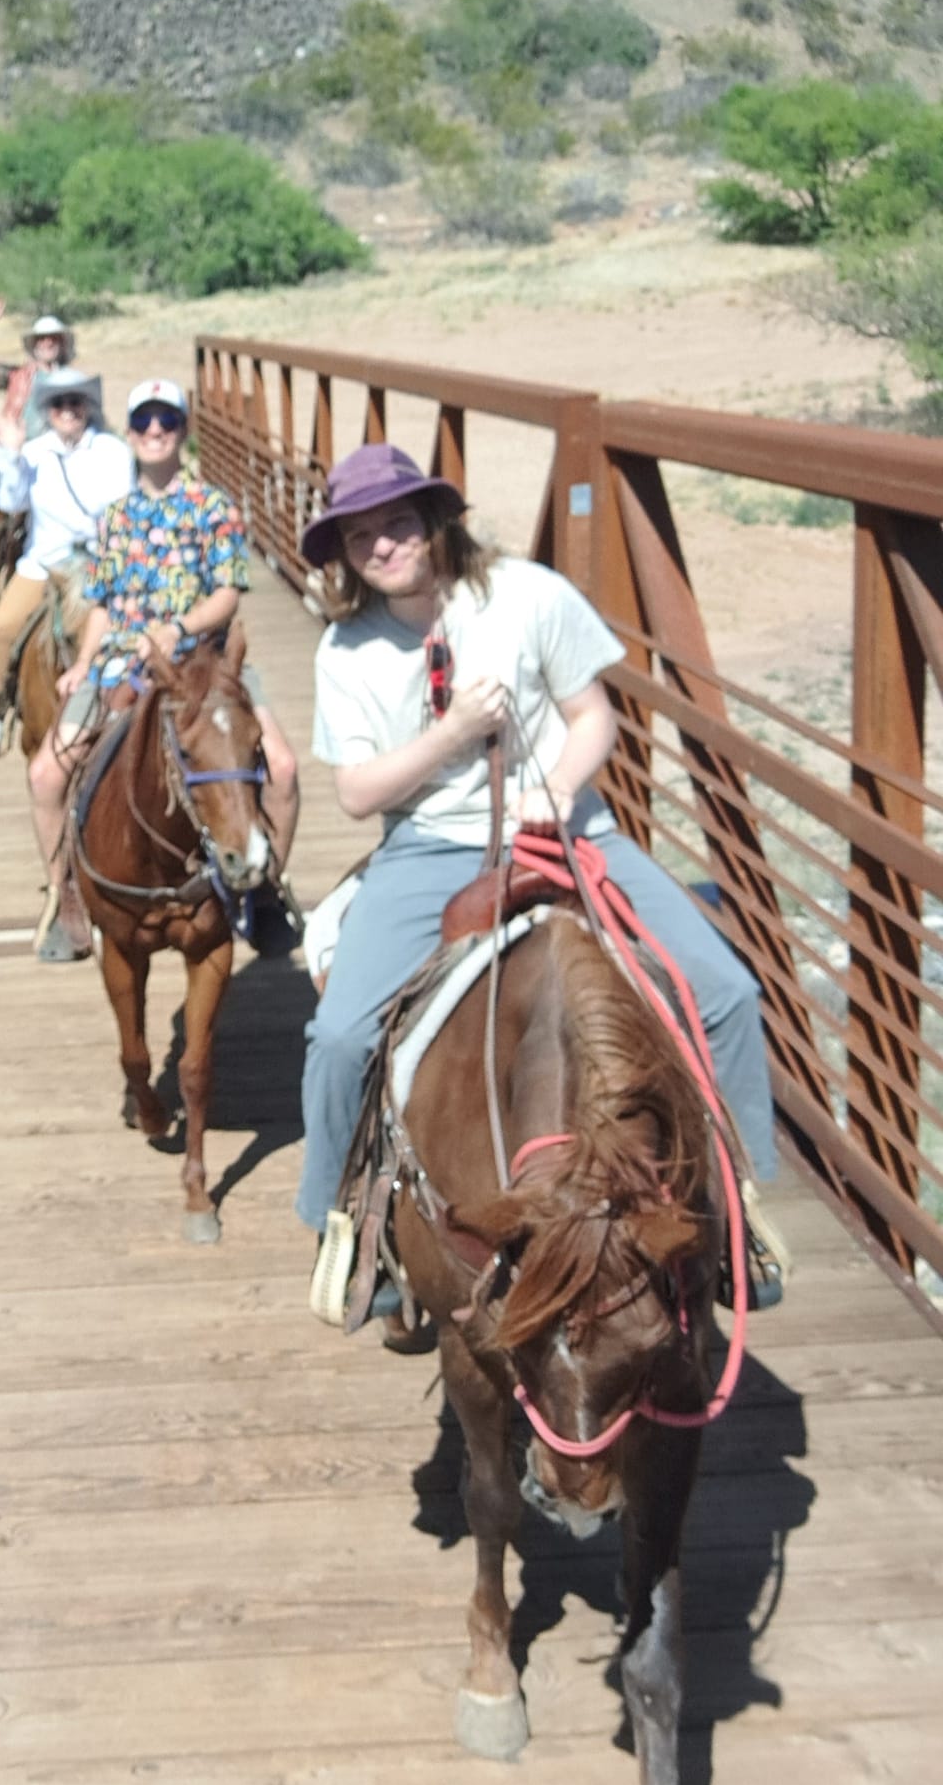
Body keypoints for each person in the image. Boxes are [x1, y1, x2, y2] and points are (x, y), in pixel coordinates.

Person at [296, 440, 779, 1259]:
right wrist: (452, 733)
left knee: (727, 990)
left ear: (434, 520)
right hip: (429, 847)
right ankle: (342, 1225)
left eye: (398, 523)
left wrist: (552, 793)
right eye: (358, 536)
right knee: (341, 1038)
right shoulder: (346, 651)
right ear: (343, 554)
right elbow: (356, 793)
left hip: (568, 829)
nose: (381, 545)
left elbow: (594, 716)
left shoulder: (529, 595)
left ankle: (740, 1215)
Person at [29, 376, 301, 959]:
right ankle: (67, 894)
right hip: (120, 663)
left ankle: (264, 885)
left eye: (168, 421)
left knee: (280, 765)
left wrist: (178, 629)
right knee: (47, 773)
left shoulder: (214, 507)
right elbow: (102, 603)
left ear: (183, 431)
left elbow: (228, 593)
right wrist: (82, 663)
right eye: (145, 422)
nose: (156, 431)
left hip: (206, 665)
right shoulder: (114, 518)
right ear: (129, 434)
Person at [0, 363, 130, 757]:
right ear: (48, 410)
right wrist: (12, 454)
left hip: (98, 562)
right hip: (43, 561)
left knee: (124, 634)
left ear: (88, 406)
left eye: (75, 402)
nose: (68, 410)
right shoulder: (35, 451)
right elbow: (10, 501)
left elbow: (119, 509)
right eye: (58, 404)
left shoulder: (113, 451)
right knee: (3, 627)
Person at [0, 291, 74, 440]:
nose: (47, 342)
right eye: (41, 338)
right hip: (18, 448)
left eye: (53, 337)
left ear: (62, 343)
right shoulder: (20, 375)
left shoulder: (71, 379)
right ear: (34, 345)